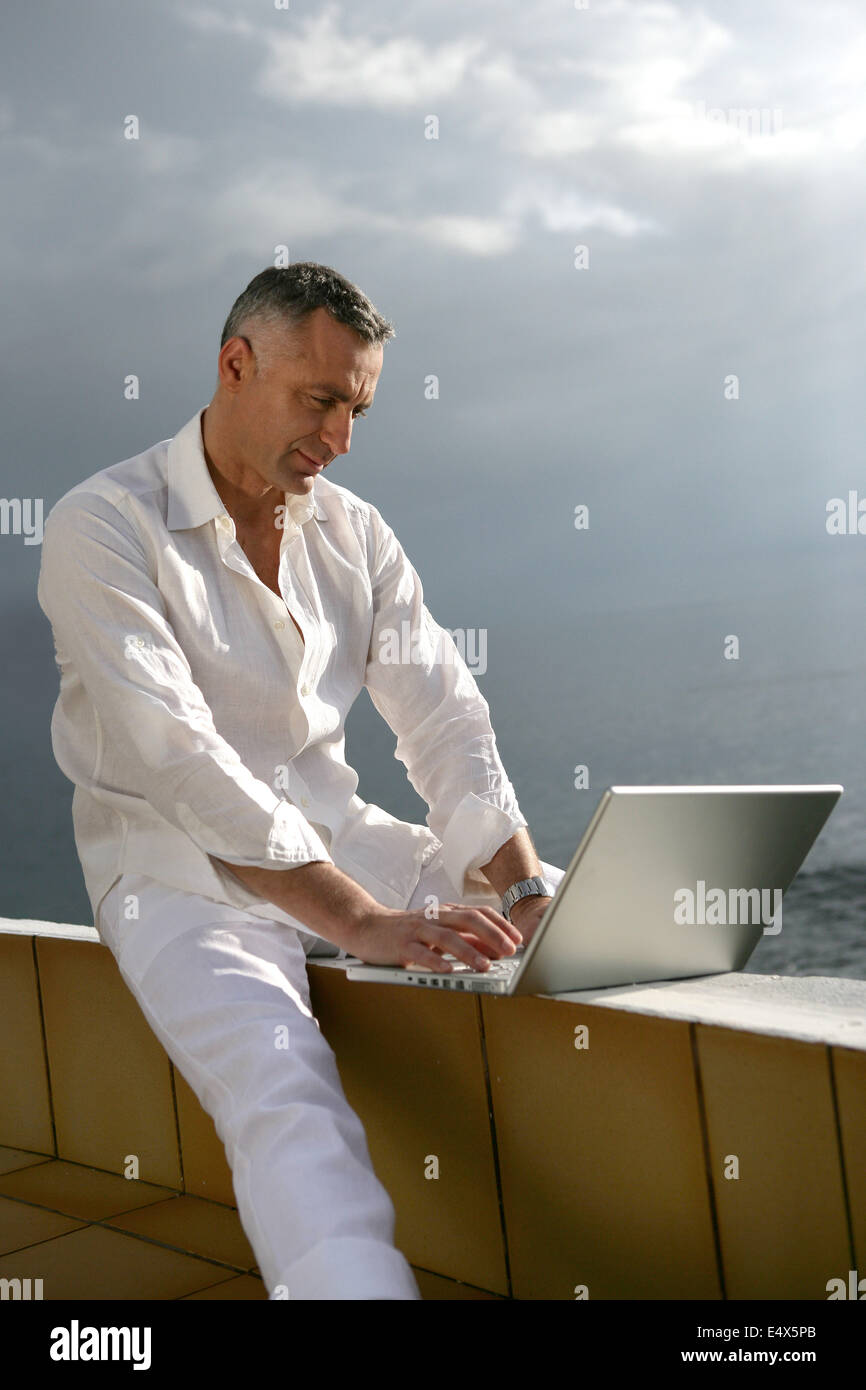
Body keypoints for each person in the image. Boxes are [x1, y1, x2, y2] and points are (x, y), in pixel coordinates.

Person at [36, 262, 565, 1300]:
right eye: (320, 400)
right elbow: (178, 754)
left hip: (344, 843)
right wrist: (361, 919)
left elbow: (444, 714)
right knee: (282, 1092)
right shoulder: (101, 526)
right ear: (236, 365)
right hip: (175, 878)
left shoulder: (353, 531)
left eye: (357, 407)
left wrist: (516, 885)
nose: (340, 438)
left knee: (561, 940)